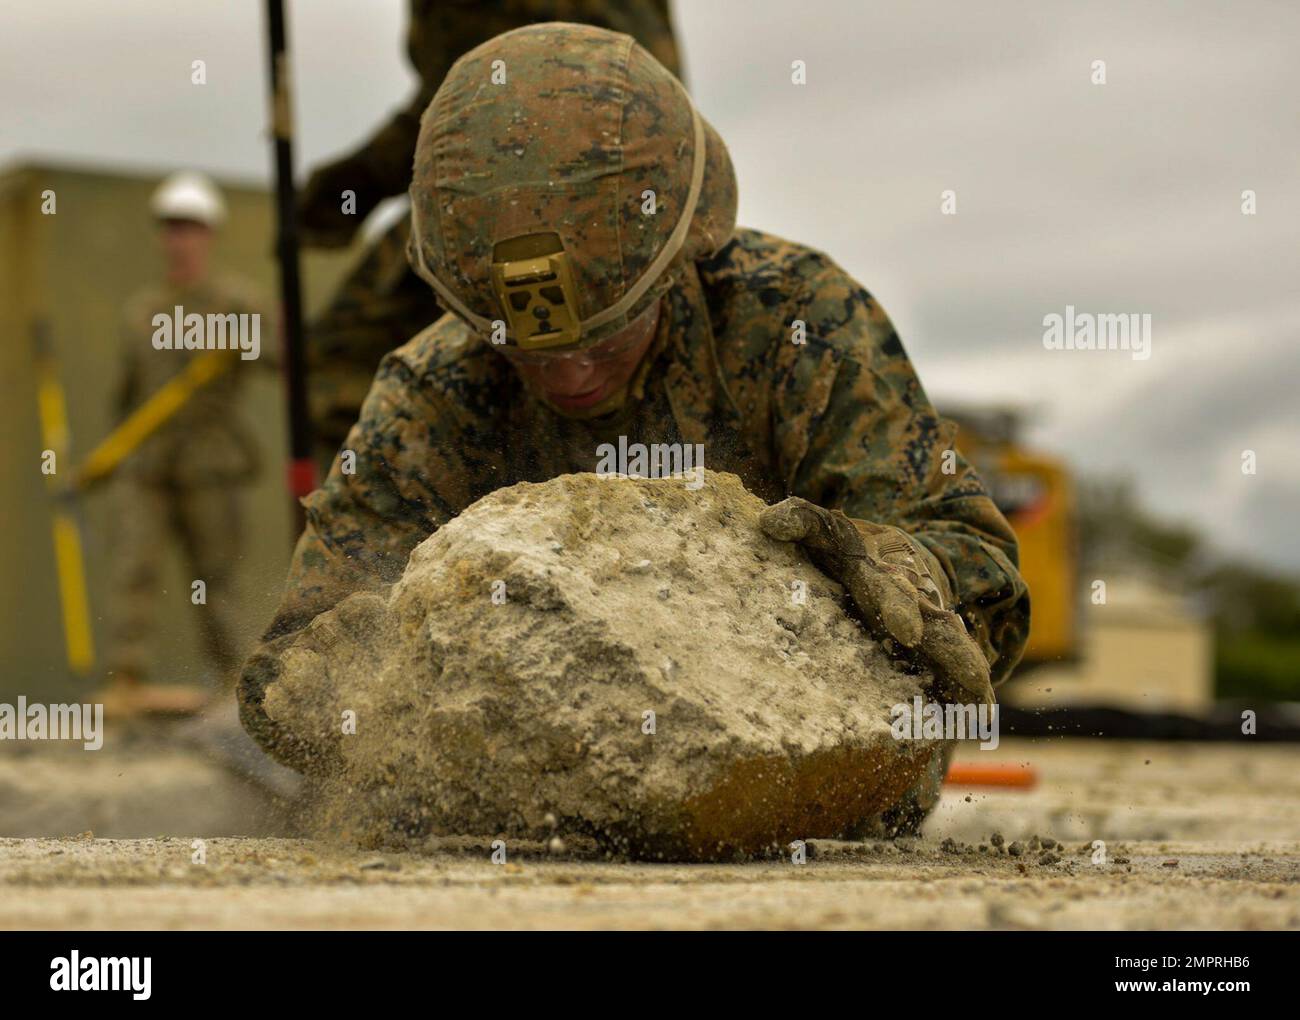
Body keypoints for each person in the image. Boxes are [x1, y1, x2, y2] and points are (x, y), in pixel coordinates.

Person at [240, 23, 1030, 834]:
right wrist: (355, 673)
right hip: (514, 819)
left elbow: (983, 573)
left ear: (683, 255)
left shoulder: (798, 324)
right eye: (525, 353)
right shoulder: (433, 390)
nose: (569, 375)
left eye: (605, 337)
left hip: (809, 815)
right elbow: (286, 673)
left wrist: (900, 572)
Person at [298, 0, 683, 471]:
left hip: (579, 190)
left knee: (359, 351)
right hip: (491, 180)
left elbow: (594, 81)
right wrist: (359, 181)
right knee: (351, 347)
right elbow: (455, 102)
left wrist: (367, 177)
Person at [99, 172, 268, 718]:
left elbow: (283, 358)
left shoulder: (238, 301)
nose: (180, 238)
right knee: (133, 569)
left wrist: (243, 337)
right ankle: (126, 681)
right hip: (148, 465)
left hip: (210, 464)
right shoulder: (141, 311)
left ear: (209, 234)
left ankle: (234, 688)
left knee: (217, 581)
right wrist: (116, 453)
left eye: (190, 227)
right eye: (172, 227)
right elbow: (125, 397)